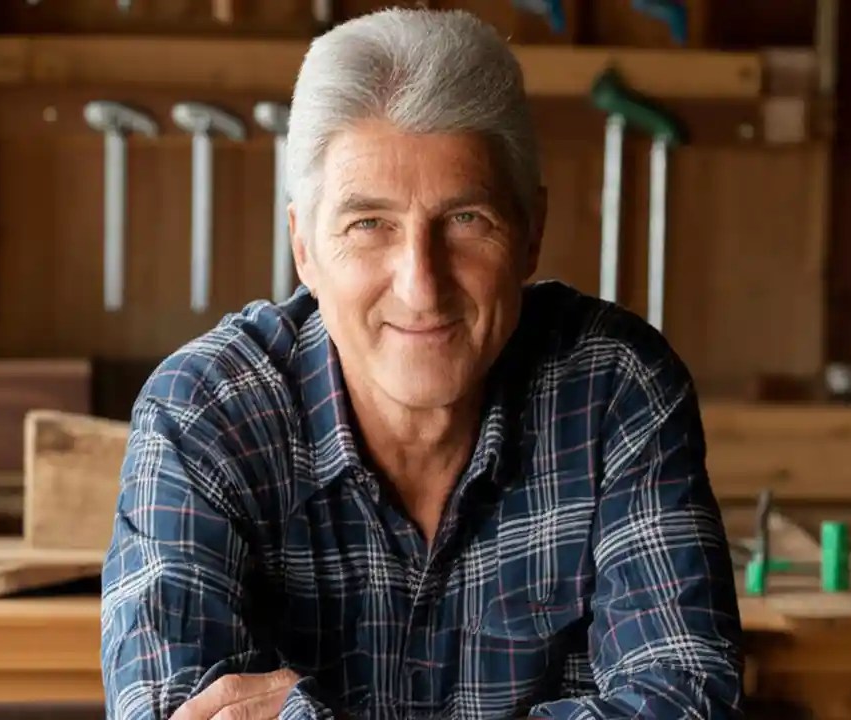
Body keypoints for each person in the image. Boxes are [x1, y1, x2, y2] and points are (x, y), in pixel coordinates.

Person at [100, 7, 743, 719]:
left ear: (531, 234)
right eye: (369, 224)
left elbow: (687, 704)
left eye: (466, 220)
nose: (421, 285)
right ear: (304, 247)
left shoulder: (614, 389)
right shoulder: (207, 413)